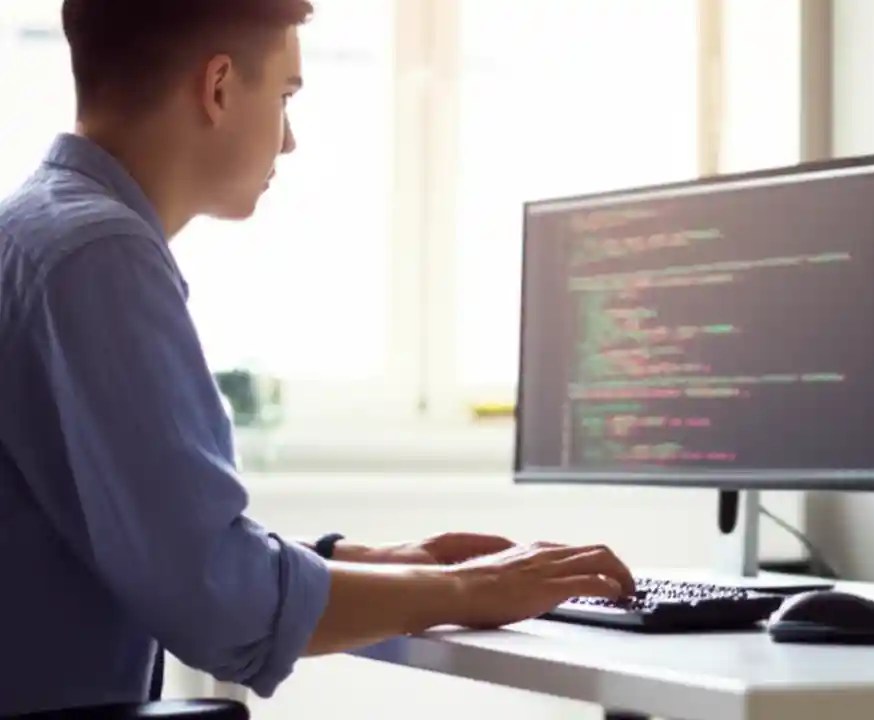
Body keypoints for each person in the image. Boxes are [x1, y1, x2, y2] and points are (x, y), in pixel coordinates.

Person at [0, 1, 634, 715]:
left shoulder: (40, 231)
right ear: (217, 88)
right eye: (285, 96)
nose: (291, 139)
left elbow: (177, 550)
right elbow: (222, 607)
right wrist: (473, 592)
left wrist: (378, 562)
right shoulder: (98, 257)